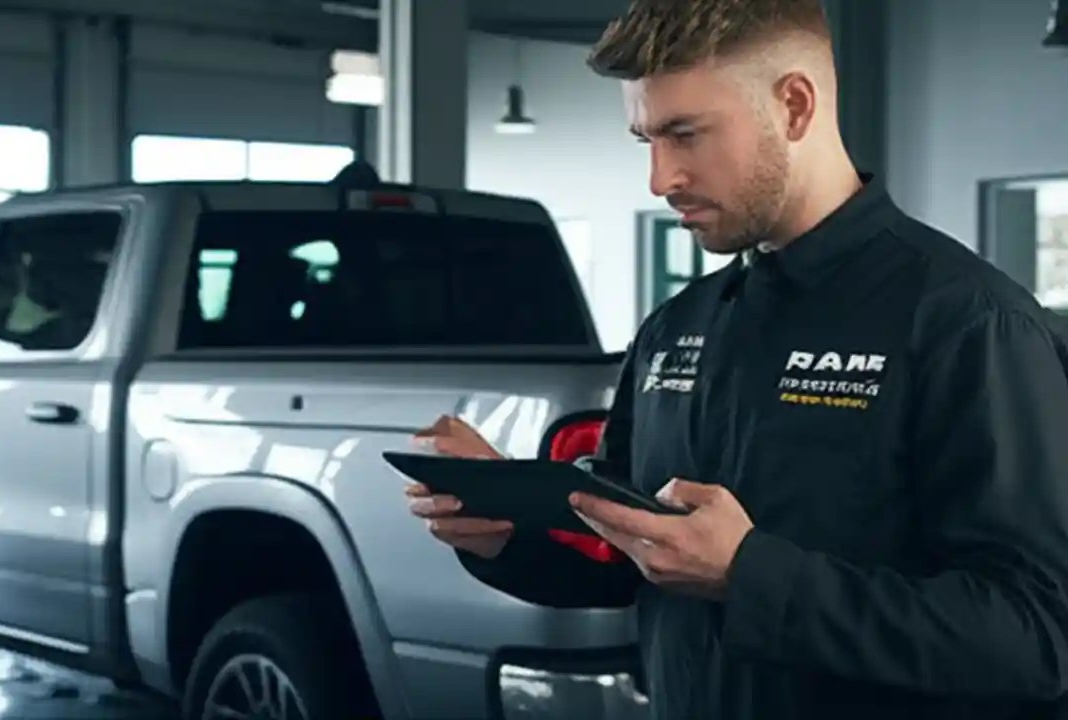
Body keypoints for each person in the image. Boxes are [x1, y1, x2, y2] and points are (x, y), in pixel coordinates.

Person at [405, 0, 1068, 718]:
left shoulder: (967, 323)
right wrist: (504, 534)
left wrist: (749, 575)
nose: (660, 179)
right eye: (646, 141)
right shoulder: (676, 327)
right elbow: (630, 564)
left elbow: (1034, 637)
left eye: (685, 134)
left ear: (794, 105)